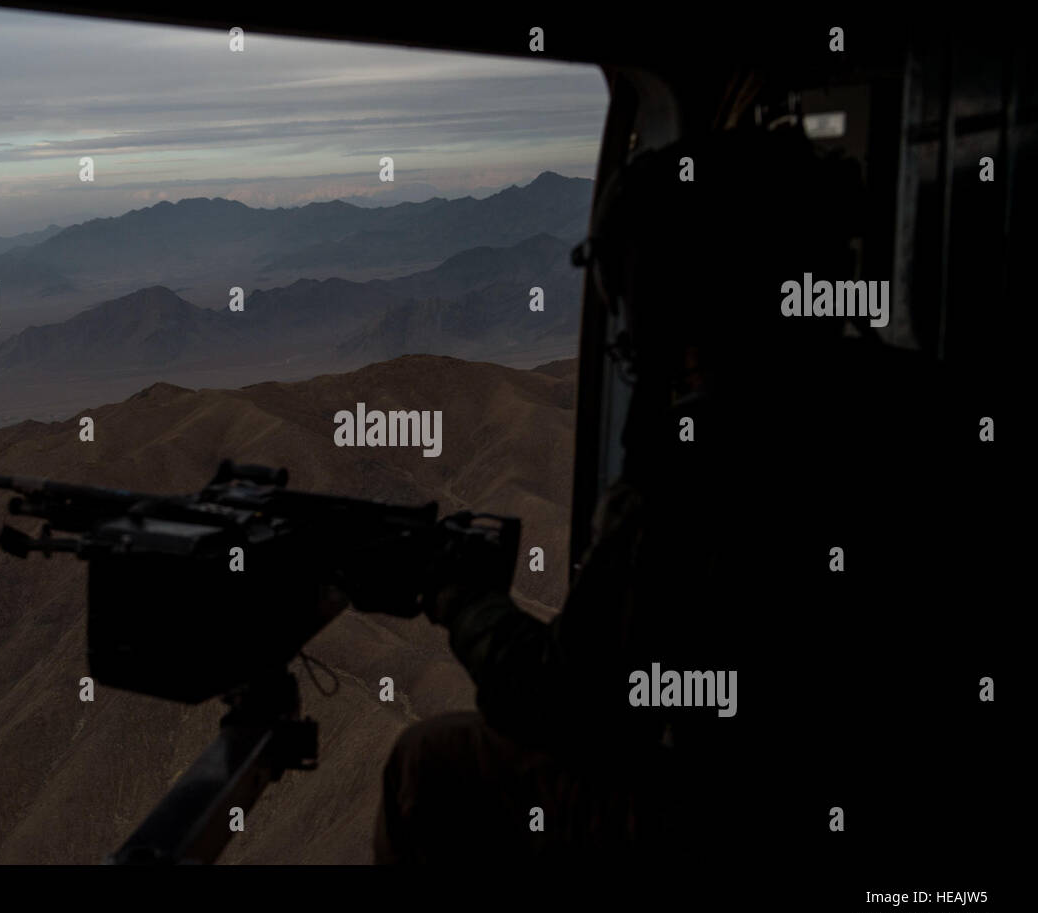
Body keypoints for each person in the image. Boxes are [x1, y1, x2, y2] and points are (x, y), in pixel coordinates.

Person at [373, 123, 940, 865]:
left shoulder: (700, 469)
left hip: (734, 818)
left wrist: (461, 599)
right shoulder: (914, 395)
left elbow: (560, 703)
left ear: (670, 294)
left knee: (427, 762)